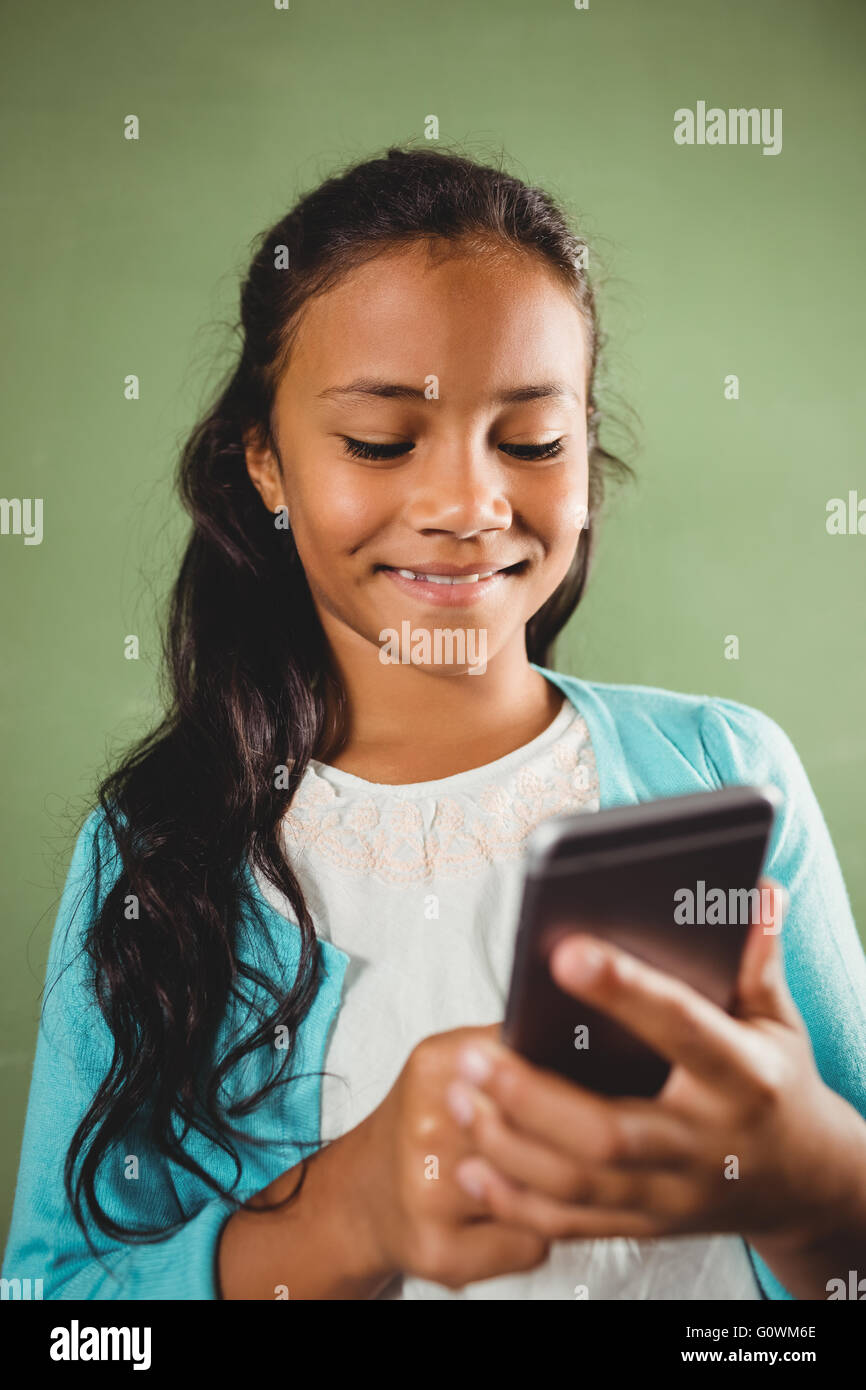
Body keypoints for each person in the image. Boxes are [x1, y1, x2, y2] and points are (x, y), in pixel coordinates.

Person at [4, 147, 866, 1301]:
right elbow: (59, 1316)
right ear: (267, 461)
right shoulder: (155, 851)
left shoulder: (721, 776)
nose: (467, 504)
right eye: (377, 442)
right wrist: (341, 1216)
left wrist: (813, 1190)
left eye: (531, 441)